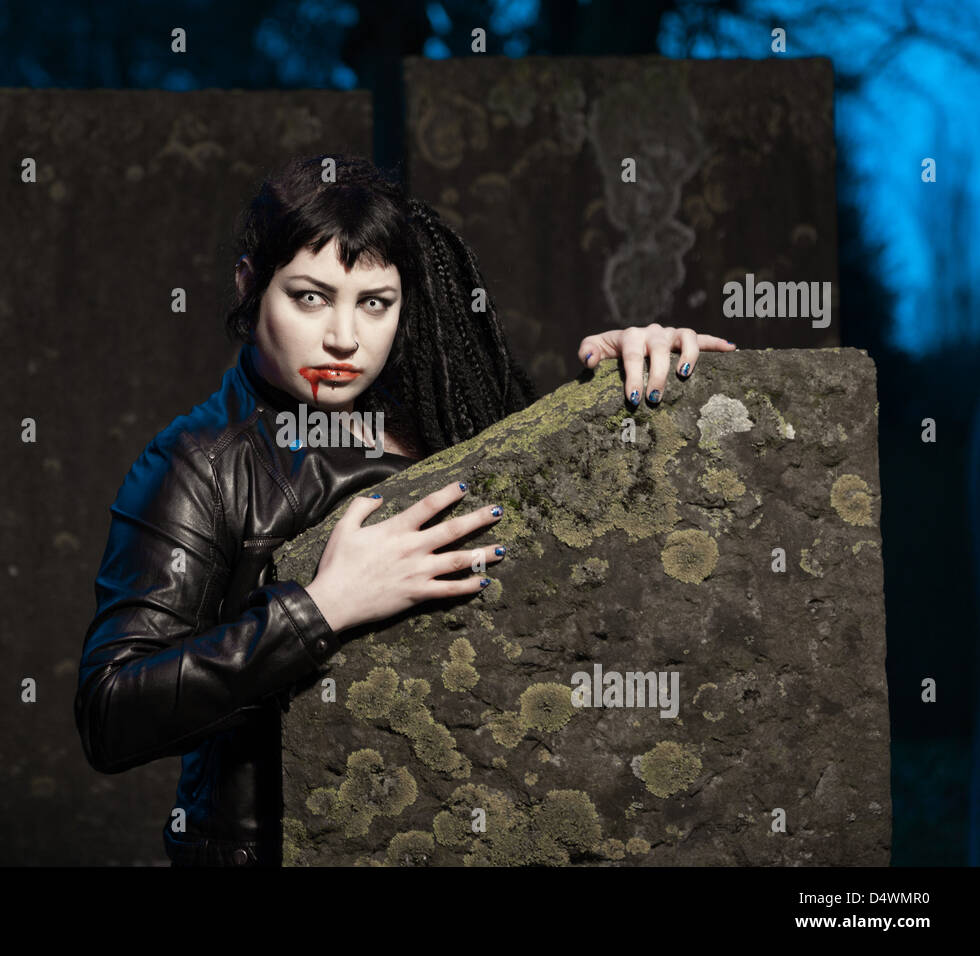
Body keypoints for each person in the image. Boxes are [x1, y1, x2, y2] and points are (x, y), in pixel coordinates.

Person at [73, 154, 734, 867]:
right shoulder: (198, 462)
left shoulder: (450, 414)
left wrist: (624, 389)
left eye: (374, 303)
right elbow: (112, 715)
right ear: (248, 285)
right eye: (309, 297)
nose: (344, 339)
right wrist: (319, 609)